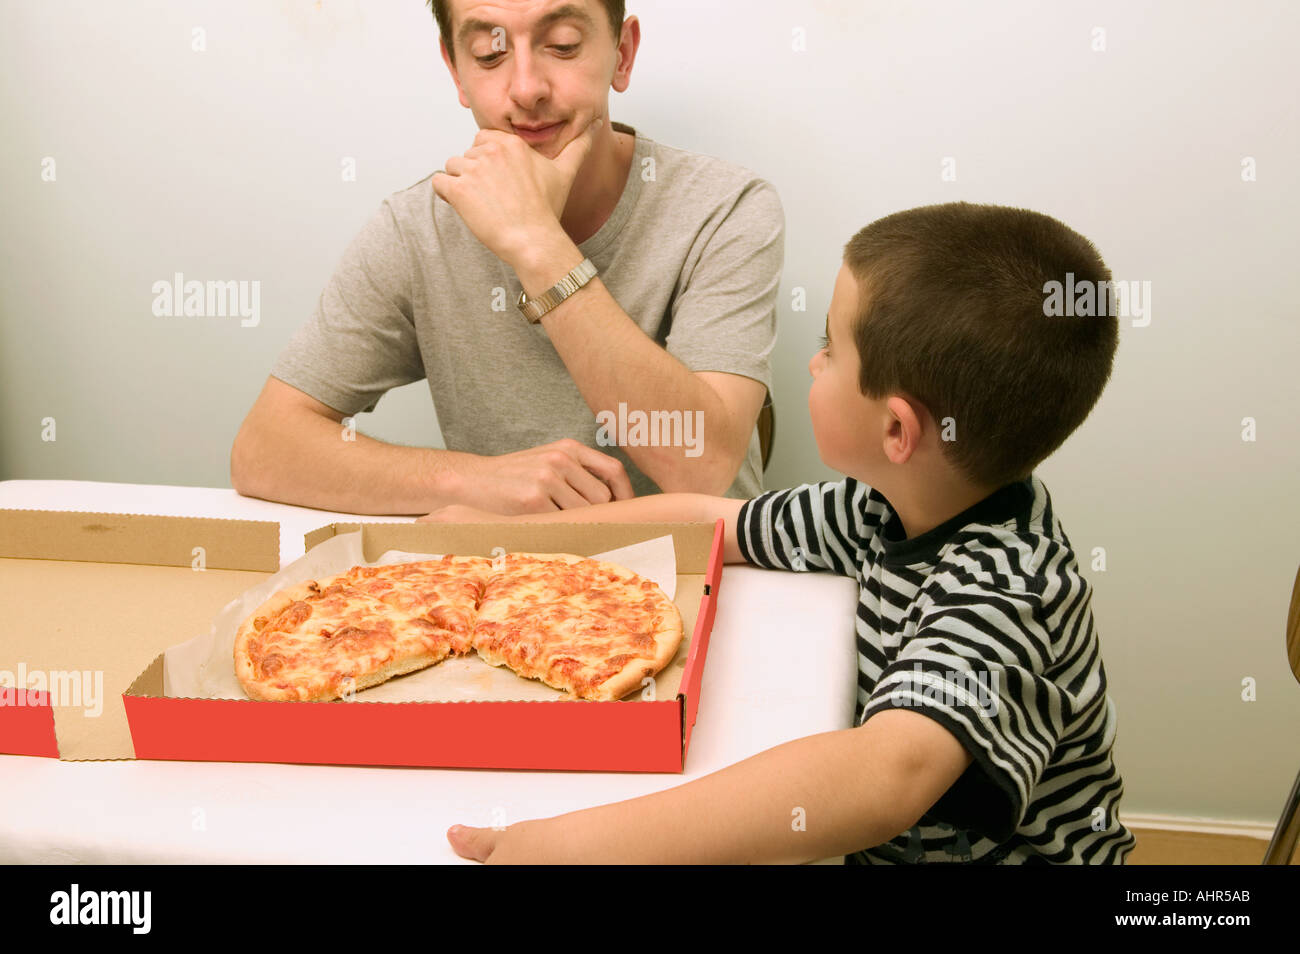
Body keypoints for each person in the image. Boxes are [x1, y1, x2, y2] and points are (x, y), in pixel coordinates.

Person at [423, 201, 1137, 864]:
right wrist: (499, 538)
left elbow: (885, 777)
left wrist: (574, 845)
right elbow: (708, 519)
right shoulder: (878, 505)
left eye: (832, 346)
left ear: (896, 429)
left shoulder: (1007, 591)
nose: (813, 360)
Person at [229, 0, 782, 516]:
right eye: (490, 55)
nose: (526, 89)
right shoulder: (415, 228)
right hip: (512, 599)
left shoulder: (725, 207)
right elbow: (263, 450)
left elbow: (702, 467)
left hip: (703, 581)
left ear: (622, 52)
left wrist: (537, 243)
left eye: (563, 45)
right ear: (455, 71)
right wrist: (469, 481)